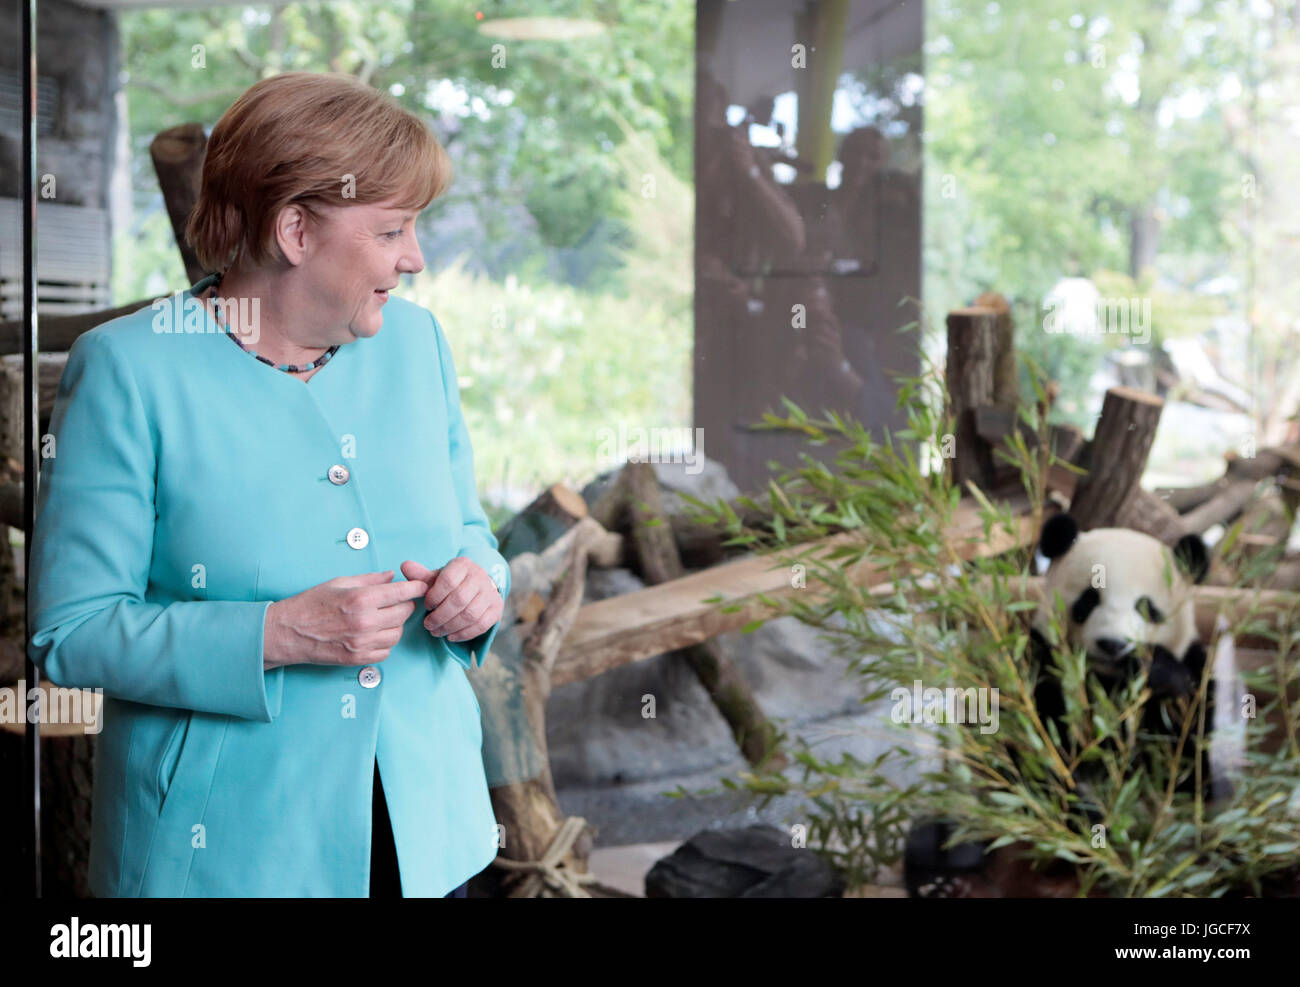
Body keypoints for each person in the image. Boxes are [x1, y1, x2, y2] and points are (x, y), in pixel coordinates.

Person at [26, 71, 510, 898]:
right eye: (392, 229)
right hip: (226, 855)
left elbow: (470, 533)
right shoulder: (130, 370)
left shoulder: (417, 345)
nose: (416, 258)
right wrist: (277, 634)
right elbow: (71, 633)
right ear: (294, 229)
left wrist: (480, 587)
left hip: (427, 831)